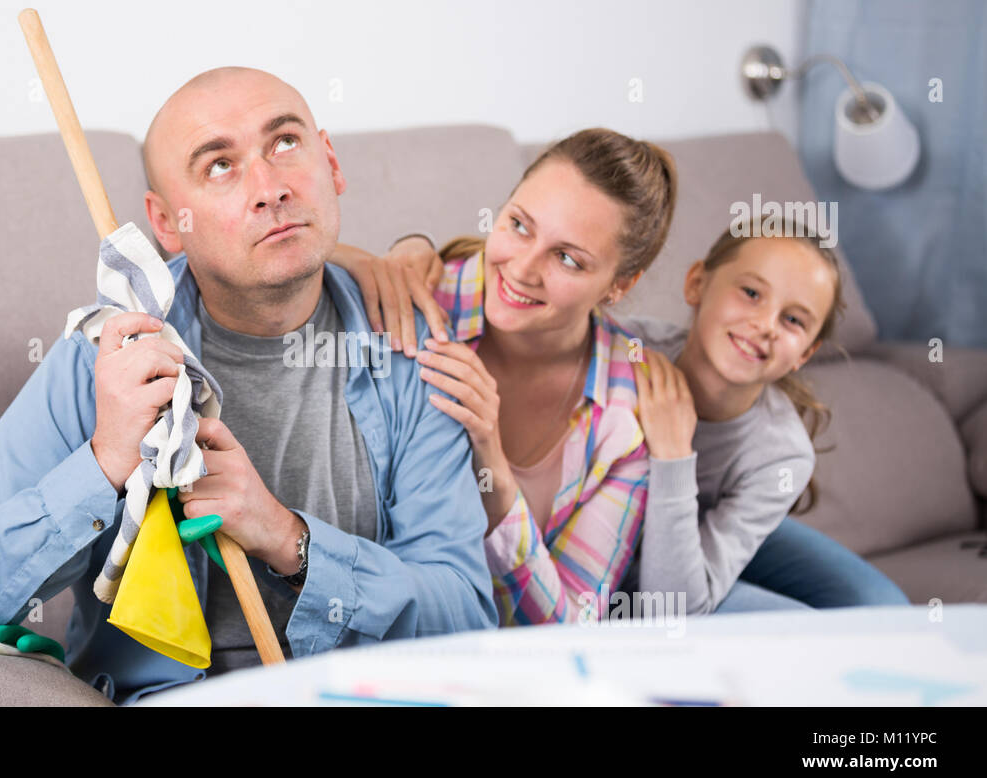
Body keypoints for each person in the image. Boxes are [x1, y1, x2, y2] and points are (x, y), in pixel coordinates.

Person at [0, 67, 497, 705]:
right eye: (220, 166)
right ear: (166, 223)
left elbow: (467, 620)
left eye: (285, 143)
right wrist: (103, 465)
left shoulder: (409, 352)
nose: (269, 189)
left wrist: (290, 540)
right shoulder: (107, 360)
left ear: (331, 164)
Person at [333, 128, 678, 625]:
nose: (522, 269)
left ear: (619, 285)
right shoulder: (418, 302)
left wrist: (490, 457)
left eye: (567, 258)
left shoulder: (623, 412)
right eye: (519, 225)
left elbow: (569, 628)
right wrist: (355, 259)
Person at [622, 218, 910, 612]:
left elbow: (676, 598)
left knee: (884, 608)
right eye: (752, 292)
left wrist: (672, 455)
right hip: (625, 543)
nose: (765, 326)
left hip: (713, 526)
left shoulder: (782, 455)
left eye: (793, 320)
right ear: (697, 284)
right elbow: (671, 606)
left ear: (806, 353)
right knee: (790, 623)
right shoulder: (628, 349)